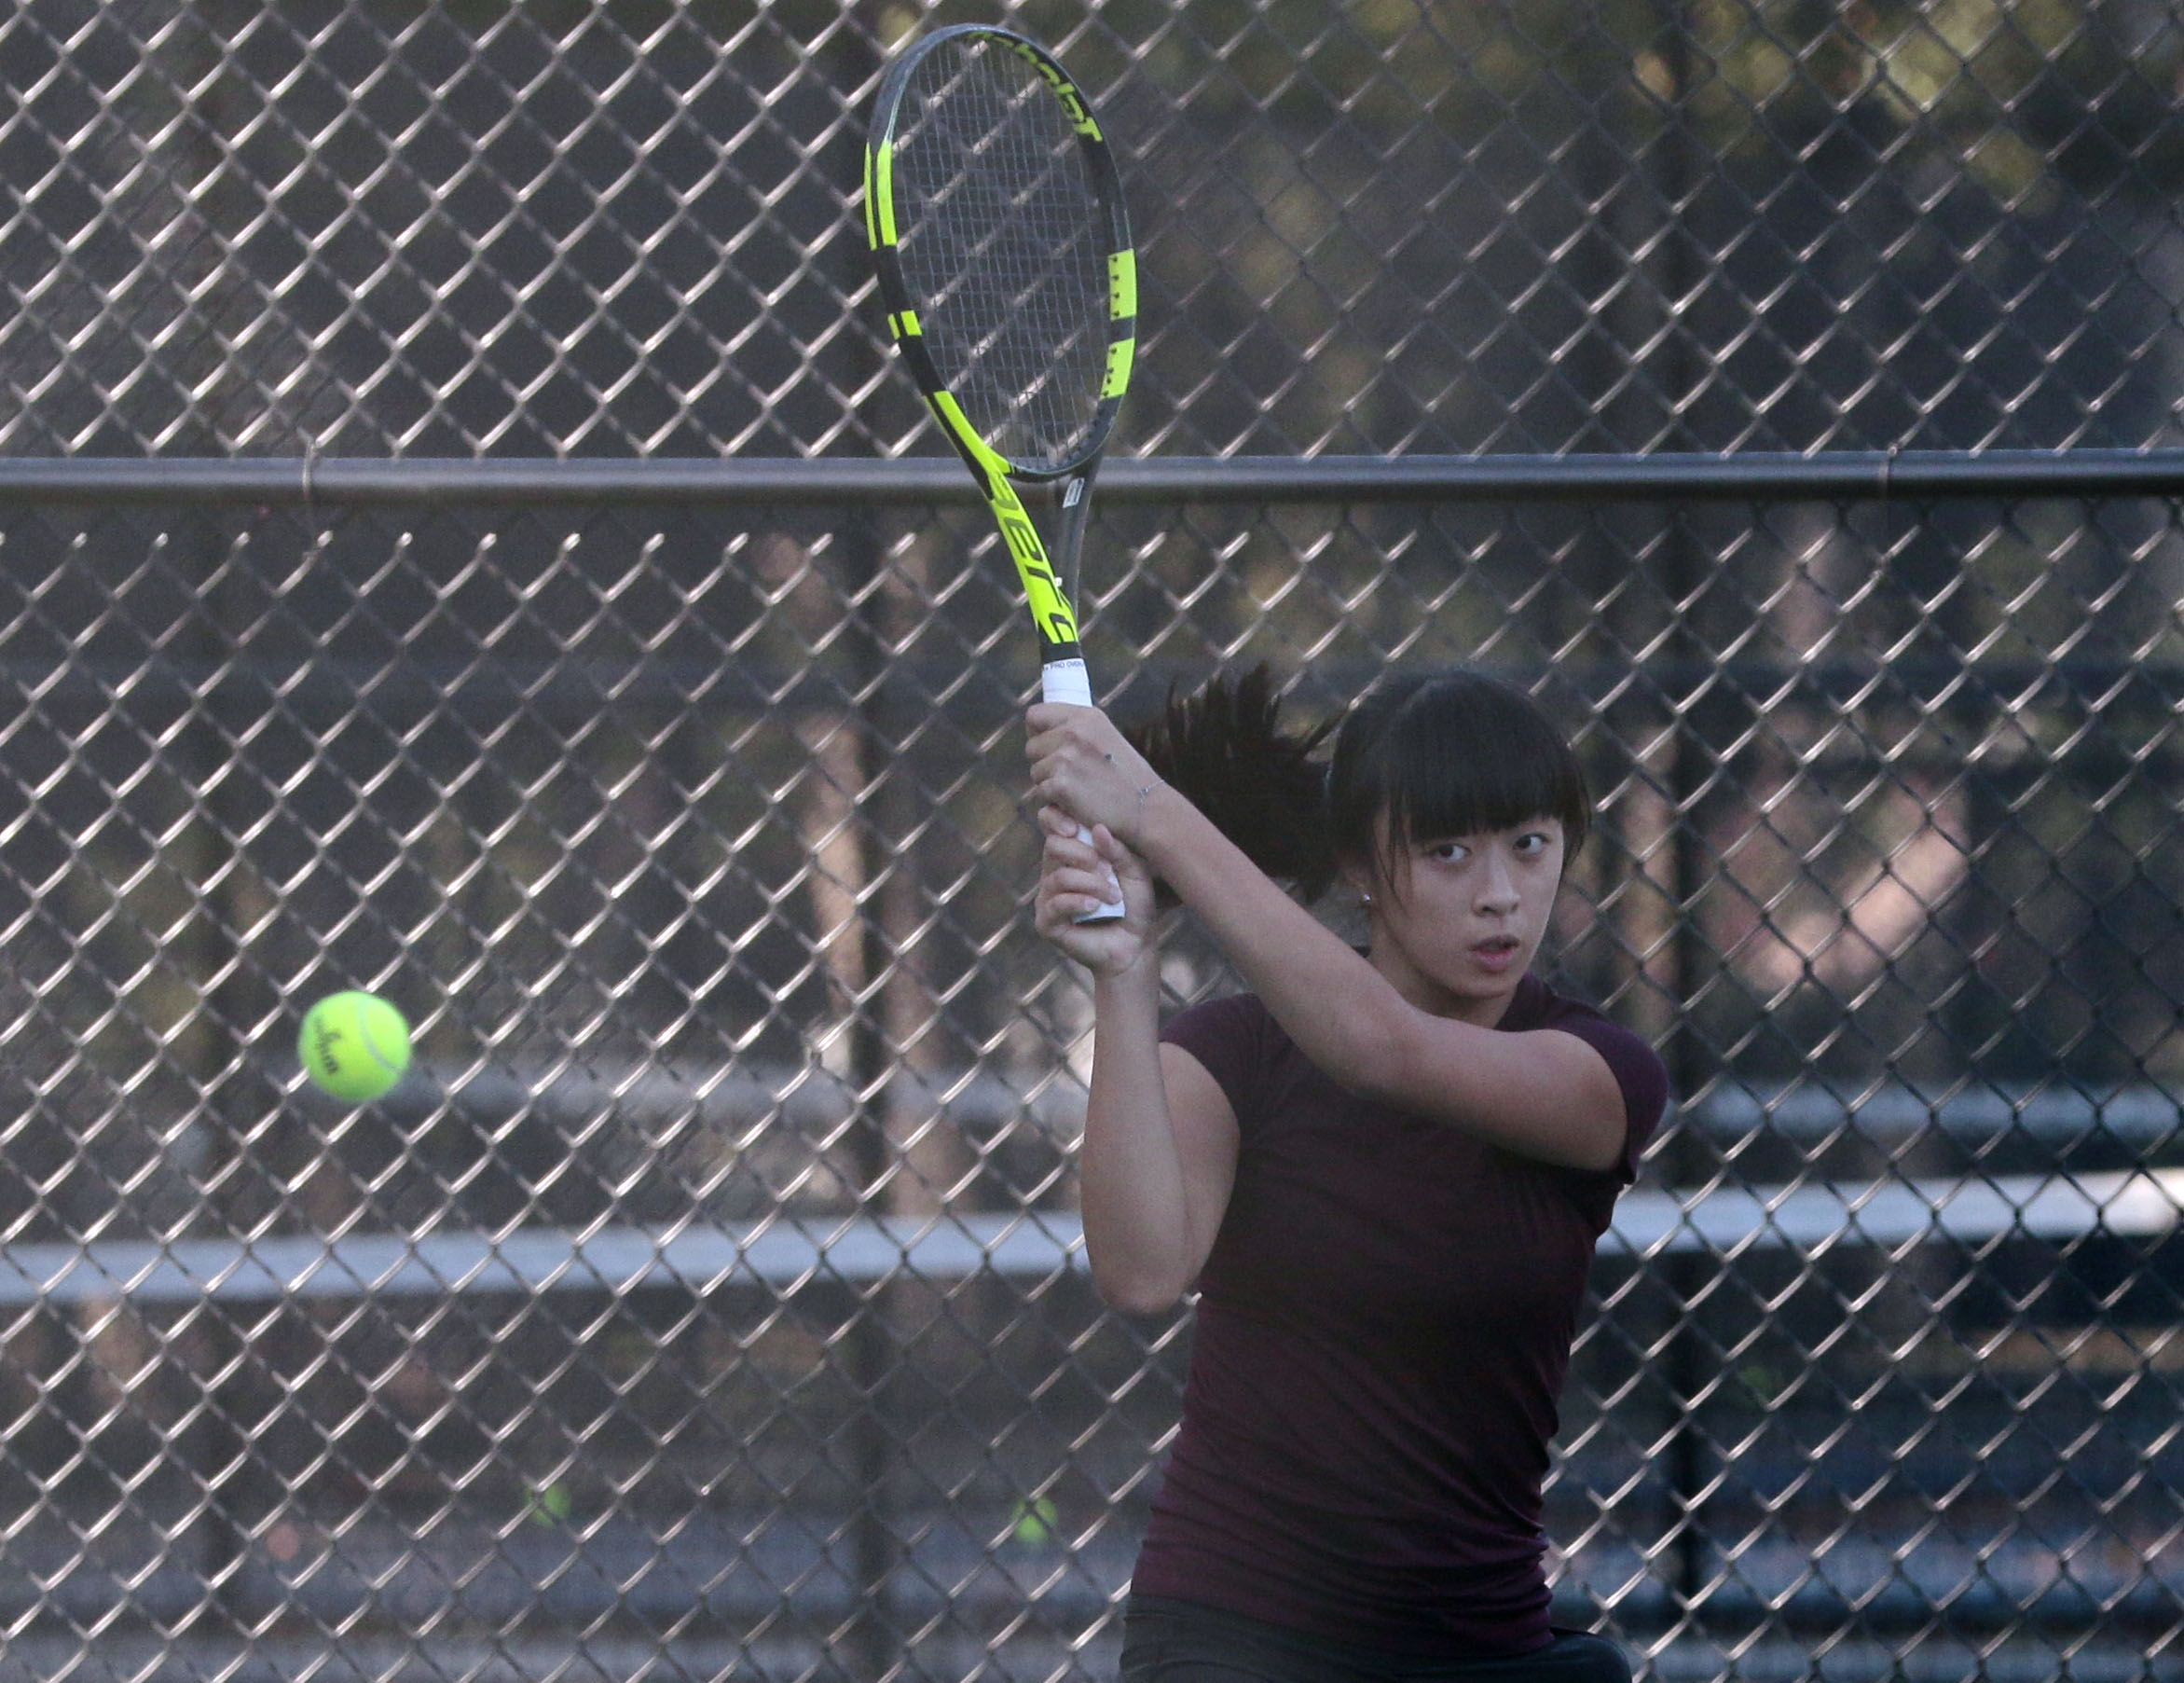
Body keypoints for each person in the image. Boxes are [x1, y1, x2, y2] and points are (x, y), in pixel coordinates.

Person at [1023, 667, 1669, 1683]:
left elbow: (1384, 1051)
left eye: (1529, 844)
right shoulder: (1232, 1051)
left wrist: (1149, 807)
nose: (1499, 891)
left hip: (1480, 1644)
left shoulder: (1596, 1072)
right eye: (1447, 850)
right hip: (1235, 1634)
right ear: (1361, 864)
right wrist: (1125, 975)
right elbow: (1142, 1270)